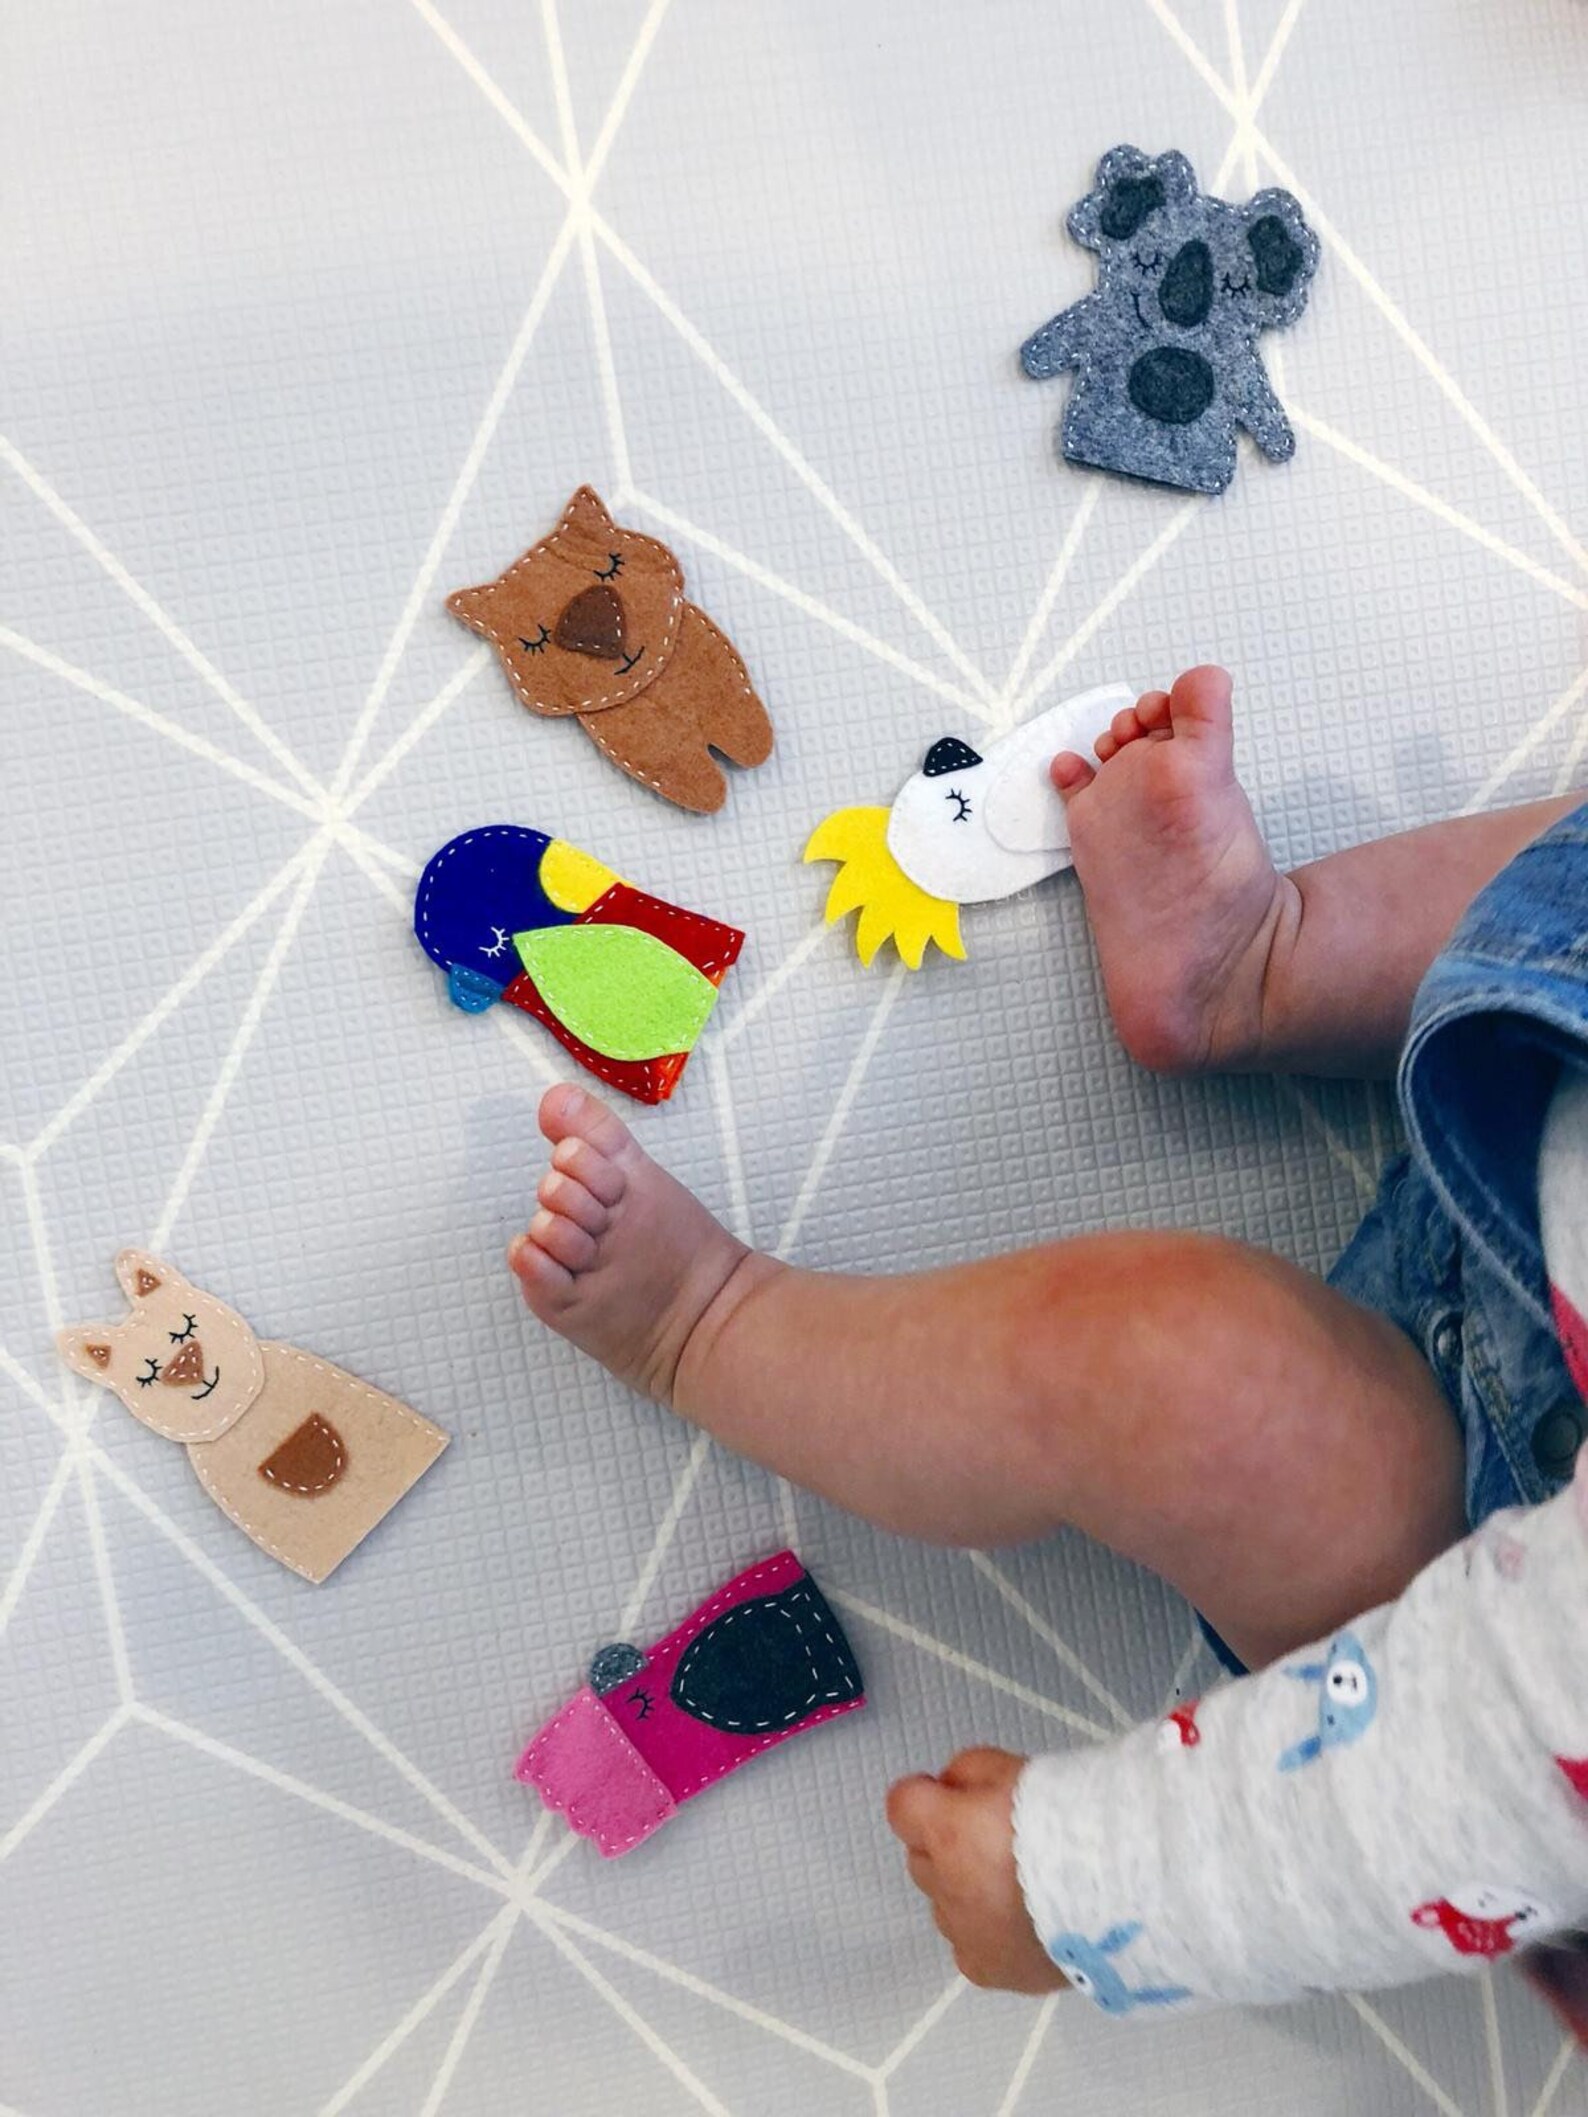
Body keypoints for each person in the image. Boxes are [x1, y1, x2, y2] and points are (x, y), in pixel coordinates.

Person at [507, 667, 1588, 2017]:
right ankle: (1258, 961)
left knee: (1173, 1366)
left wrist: (1086, 1882)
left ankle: (707, 1322)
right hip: (1550, 1071)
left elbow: (1495, 1767)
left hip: (1469, 1612)